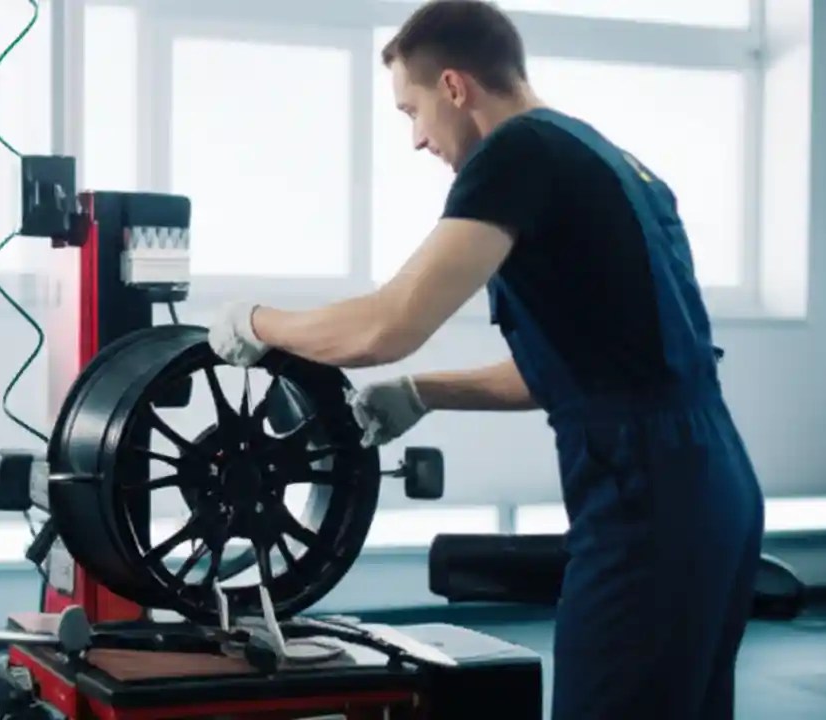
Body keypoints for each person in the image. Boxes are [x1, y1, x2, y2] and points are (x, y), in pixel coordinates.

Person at [207, 1, 765, 718]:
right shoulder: (611, 162)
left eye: (411, 110)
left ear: (455, 87)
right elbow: (585, 370)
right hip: (715, 489)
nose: (415, 138)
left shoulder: (517, 153)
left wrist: (257, 323)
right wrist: (421, 392)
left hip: (646, 500)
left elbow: (387, 323)